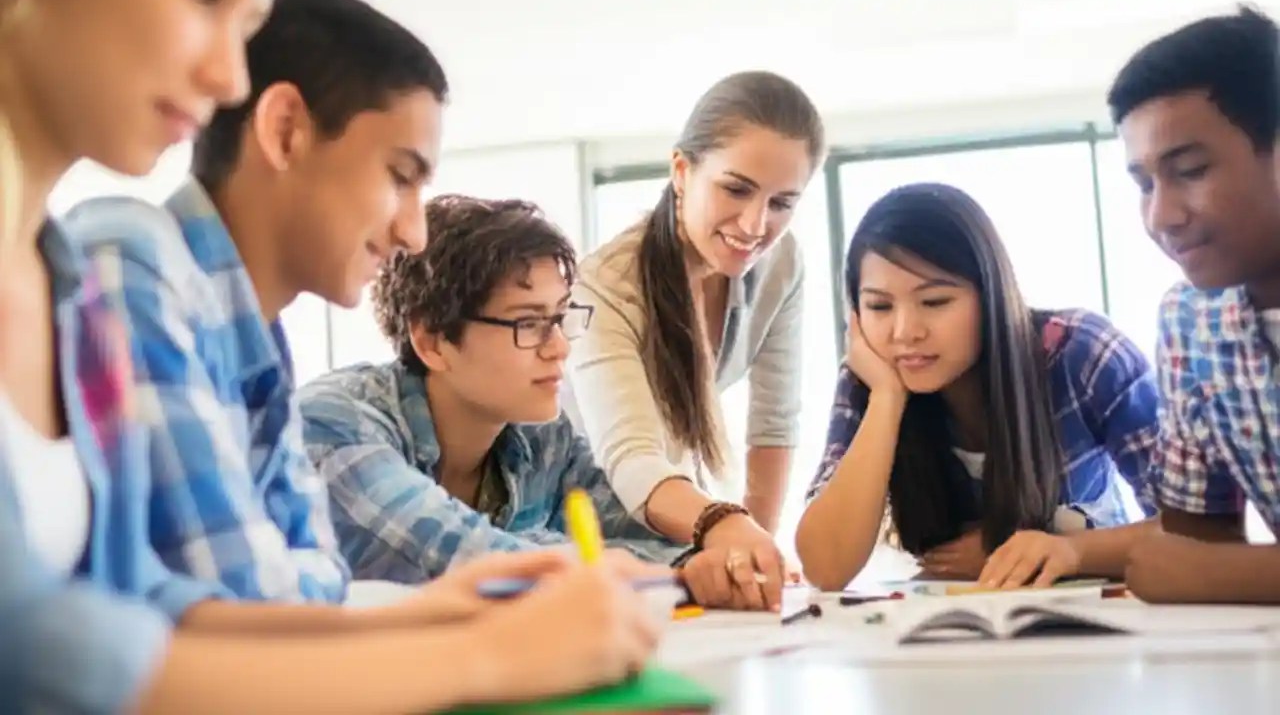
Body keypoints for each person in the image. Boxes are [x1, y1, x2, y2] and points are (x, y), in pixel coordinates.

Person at [0, 0, 663, 711]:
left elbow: (156, 596)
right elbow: (56, 644)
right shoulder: (125, 264)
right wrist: (483, 653)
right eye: (205, 3)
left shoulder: (76, 278)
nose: (229, 76)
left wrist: (423, 613)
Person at [299, 194, 684, 582]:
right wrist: (580, 555)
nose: (560, 347)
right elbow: (463, 553)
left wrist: (703, 562)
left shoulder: (543, 438)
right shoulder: (335, 423)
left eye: (561, 316)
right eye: (528, 323)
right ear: (432, 342)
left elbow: (659, 542)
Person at [795, 183, 1160, 591]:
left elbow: (1199, 528)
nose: (904, 332)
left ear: (990, 296)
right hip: (949, 629)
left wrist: (1067, 550)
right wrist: (886, 399)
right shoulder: (872, 375)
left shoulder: (1083, 353)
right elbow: (825, 568)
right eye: (880, 306)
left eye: (934, 302)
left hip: (1087, 620)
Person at [565, 70, 824, 610]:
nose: (756, 225)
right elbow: (631, 458)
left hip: (678, 523)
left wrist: (757, 550)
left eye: (782, 203)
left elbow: (774, 423)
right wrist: (725, 525)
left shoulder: (782, 263)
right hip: (588, 525)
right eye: (736, 189)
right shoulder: (605, 284)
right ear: (681, 171)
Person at [1109, 6, 1280, 604]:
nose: (1162, 216)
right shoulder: (1191, 320)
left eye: (1190, 171)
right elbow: (1188, 545)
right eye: (1144, 184)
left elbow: (1201, 571)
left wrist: (1234, 576)